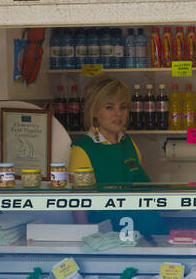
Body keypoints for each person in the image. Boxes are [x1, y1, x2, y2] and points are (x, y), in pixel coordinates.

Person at [70, 77, 165, 237]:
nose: (118, 113)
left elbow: (141, 184)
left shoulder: (128, 143)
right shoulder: (83, 148)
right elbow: (79, 203)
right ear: (94, 111)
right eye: (109, 107)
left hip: (145, 227)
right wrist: (86, 237)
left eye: (123, 107)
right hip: (109, 233)